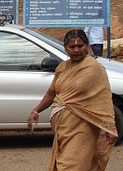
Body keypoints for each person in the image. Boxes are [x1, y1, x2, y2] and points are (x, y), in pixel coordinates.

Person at [30, 29, 117, 170]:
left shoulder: (94, 68)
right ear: (65, 48)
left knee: (71, 165)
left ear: (87, 46)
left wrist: (109, 126)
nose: (76, 50)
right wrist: (36, 110)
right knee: (62, 163)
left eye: (80, 46)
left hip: (83, 126)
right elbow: (51, 93)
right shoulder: (62, 67)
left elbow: (103, 99)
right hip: (63, 129)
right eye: (72, 47)